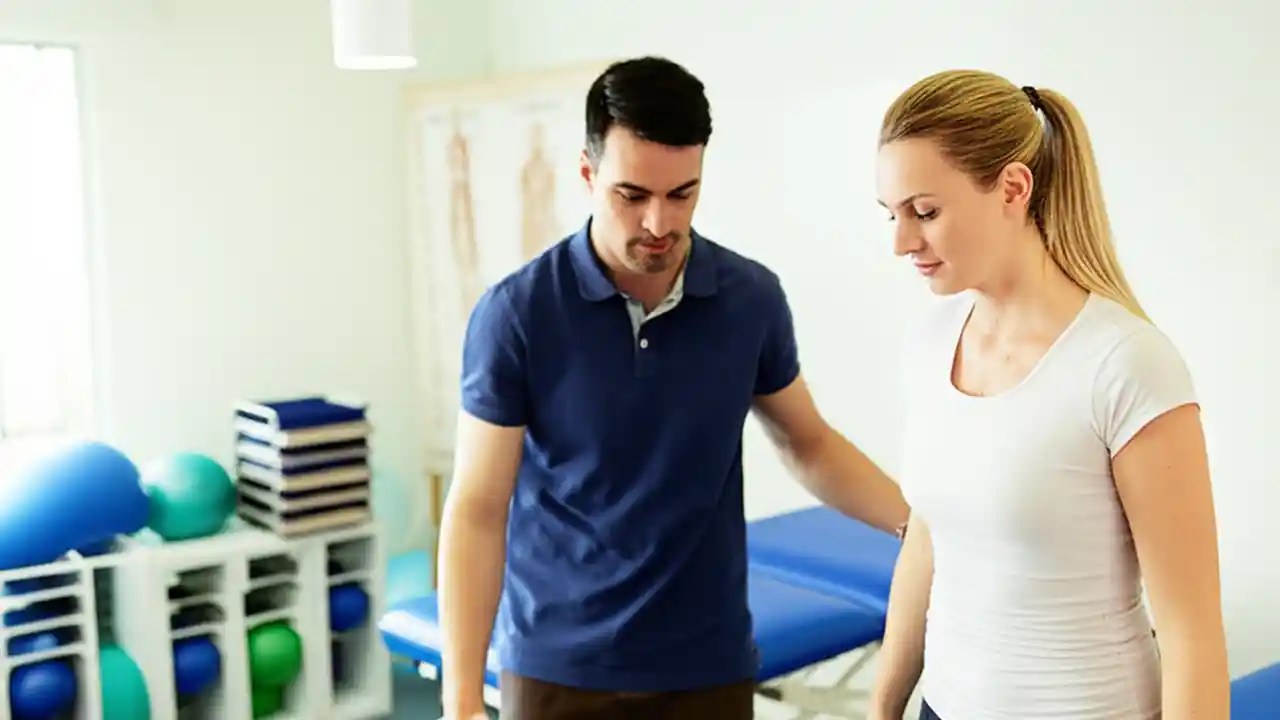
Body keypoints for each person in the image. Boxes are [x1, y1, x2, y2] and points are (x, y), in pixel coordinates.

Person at [436, 55, 910, 720]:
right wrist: (460, 700)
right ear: (587, 174)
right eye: (632, 196)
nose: (659, 223)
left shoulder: (750, 299)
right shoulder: (517, 314)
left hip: (706, 663)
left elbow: (809, 444)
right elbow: (479, 508)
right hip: (559, 669)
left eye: (681, 194)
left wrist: (919, 528)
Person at [870, 69, 1230, 719]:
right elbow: (928, 540)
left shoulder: (1126, 366)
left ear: (1013, 187)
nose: (901, 242)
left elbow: (1192, 636)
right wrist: (883, 706)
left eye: (924, 212)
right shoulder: (930, 342)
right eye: (891, 215)